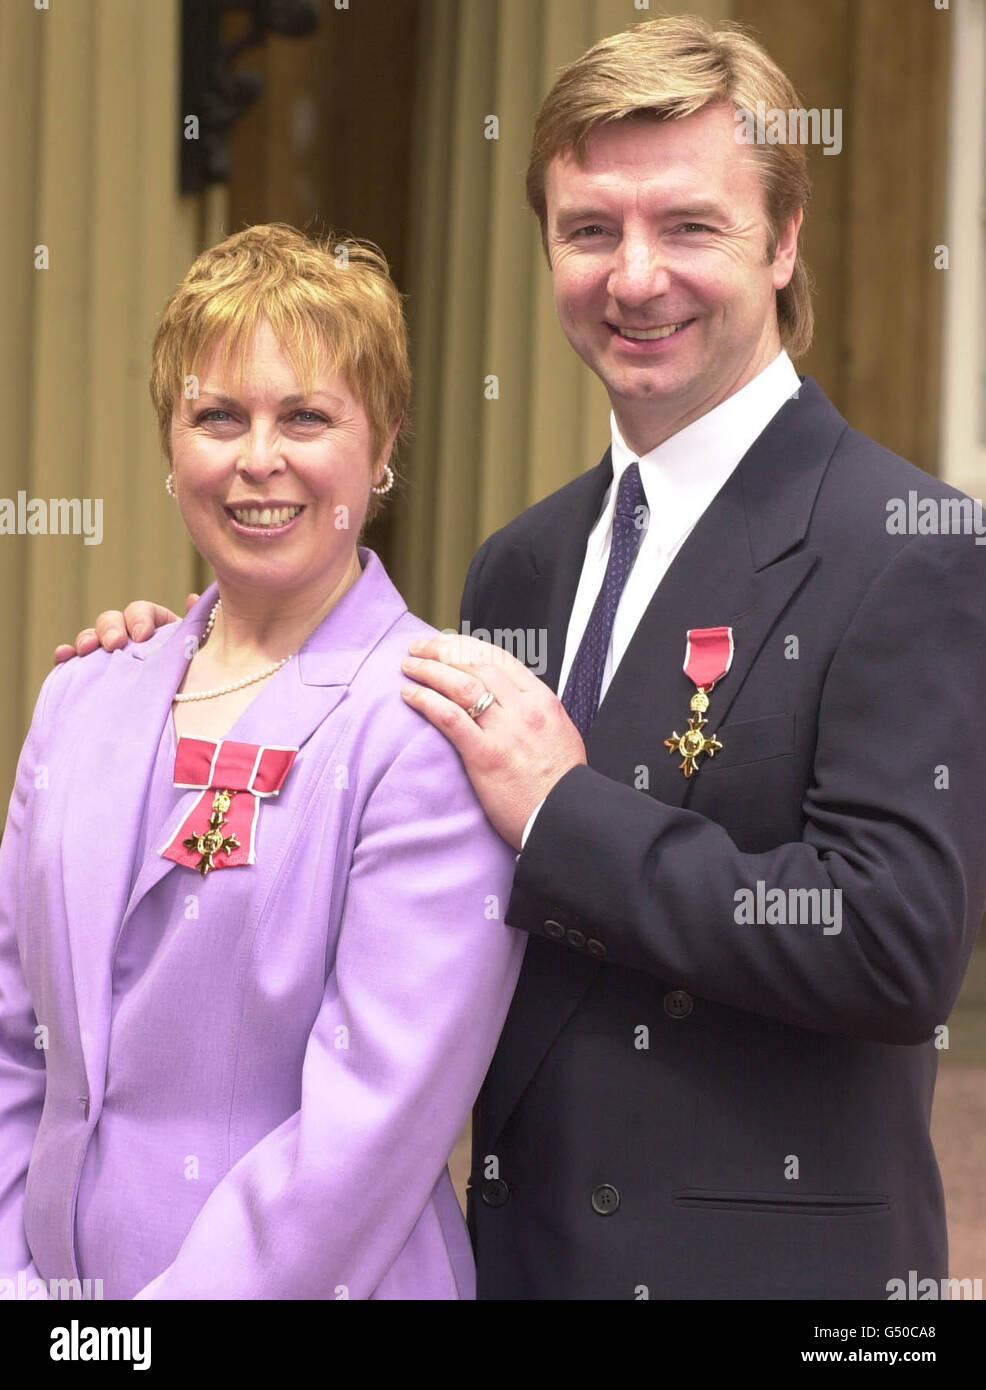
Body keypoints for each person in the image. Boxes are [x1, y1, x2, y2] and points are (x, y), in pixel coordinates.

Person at [63, 17, 986, 1300]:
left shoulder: (906, 544)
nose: (635, 275)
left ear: (781, 241)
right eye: (590, 229)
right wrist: (180, 667)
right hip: (520, 1261)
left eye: (689, 226)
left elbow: (894, 944)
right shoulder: (522, 562)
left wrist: (566, 814)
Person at [1, 222, 525, 1300]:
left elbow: (368, 1126)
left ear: (381, 450)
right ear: (170, 443)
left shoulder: (425, 728)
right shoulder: (83, 696)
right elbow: (16, 1041)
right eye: (217, 416)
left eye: (306, 416)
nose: (257, 459)